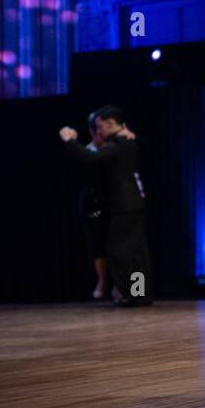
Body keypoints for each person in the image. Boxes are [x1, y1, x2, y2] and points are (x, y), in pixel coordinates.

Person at [59, 106, 152, 307]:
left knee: (119, 252)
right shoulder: (128, 140)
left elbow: (90, 157)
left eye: (100, 126)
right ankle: (140, 294)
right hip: (133, 202)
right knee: (135, 254)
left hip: (124, 204)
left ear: (111, 124)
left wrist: (69, 140)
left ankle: (131, 293)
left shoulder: (117, 143)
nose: (98, 131)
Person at [79, 111, 112, 300]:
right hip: (93, 200)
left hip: (114, 199)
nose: (99, 132)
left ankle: (120, 283)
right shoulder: (88, 151)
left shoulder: (116, 146)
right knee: (97, 243)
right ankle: (102, 280)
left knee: (117, 243)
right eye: (96, 129)